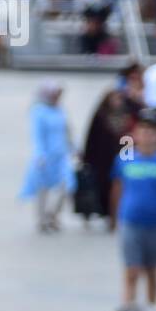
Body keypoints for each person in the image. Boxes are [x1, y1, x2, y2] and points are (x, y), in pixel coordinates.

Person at [110, 108, 156, 305]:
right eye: (143, 129)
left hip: (155, 225)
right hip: (130, 222)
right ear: (136, 133)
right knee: (132, 271)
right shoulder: (126, 157)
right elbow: (117, 188)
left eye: (152, 130)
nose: (147, 134)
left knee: (152, 271)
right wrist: (113, 218)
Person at [81, 68, 143, 222]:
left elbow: (136, 130)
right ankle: (106, 212)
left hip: (123, 154)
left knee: (122, 183)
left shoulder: (128, 115)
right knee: (104, 185)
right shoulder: (102, 116)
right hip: (103, 159)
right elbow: (92, 138)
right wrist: (87, 157)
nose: (117, 102)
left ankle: (118, 212)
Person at [19, 81, 76, 233]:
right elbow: (36, 135)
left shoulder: (60, 110)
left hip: (61, 155)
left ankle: (53, 214)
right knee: (42, 188)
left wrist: (74, 147)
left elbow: (68, 131)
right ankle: (42, 219)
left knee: (66, 185)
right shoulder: (38, 111)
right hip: (45, 156)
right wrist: (39, 155)